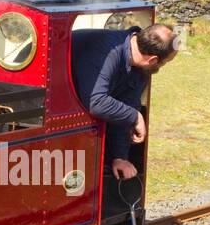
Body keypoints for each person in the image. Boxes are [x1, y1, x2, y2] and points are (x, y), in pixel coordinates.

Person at [71, 23, 178, 180]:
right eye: (164, 63)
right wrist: (135, 116)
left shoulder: (142, 69)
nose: (162, 67)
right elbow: (97, 102)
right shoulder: (108, 51)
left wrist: (119, 157)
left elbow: (122, 109)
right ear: (153, 59)